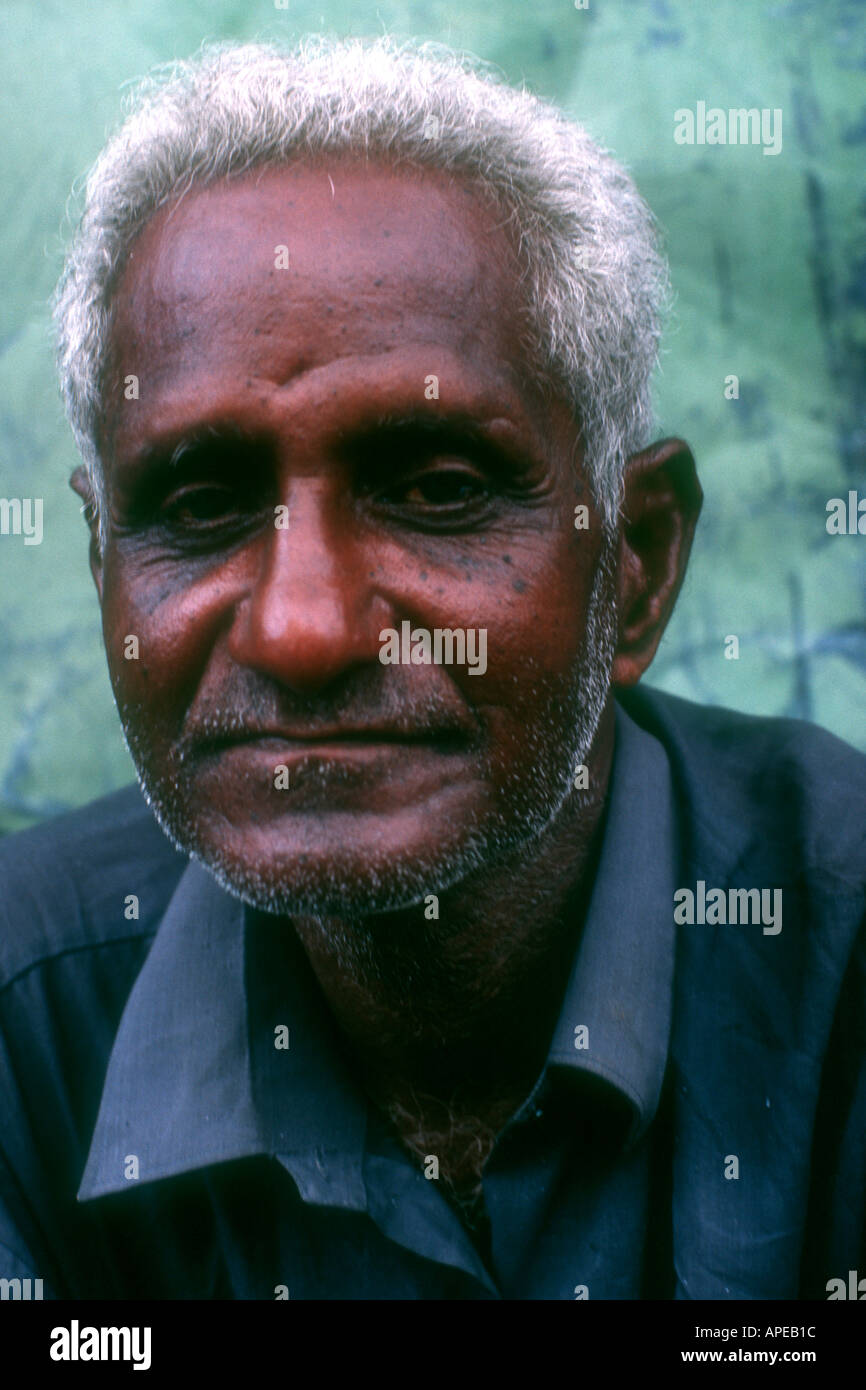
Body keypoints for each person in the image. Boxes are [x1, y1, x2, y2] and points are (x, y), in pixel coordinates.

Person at [0, 36, 863, 1301]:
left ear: (632, 559)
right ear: (101, 564)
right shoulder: (25, 1020)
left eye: (438, 490)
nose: (303, 631)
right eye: (198, 503)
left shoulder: (834, 953)